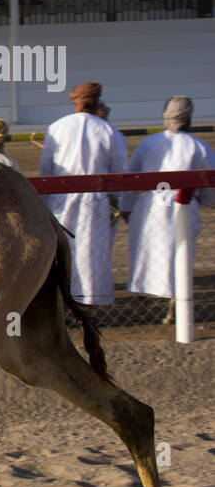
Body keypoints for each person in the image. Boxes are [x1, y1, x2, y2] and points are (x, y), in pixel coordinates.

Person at [119, 96, 215, 322]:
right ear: (188, 118)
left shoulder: (148, 143)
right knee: (179, 257)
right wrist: (207, 201)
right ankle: (173, 310)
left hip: (150, 208)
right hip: (182, 209)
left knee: (144, 254)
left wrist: (126, 207)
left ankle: (140, 303)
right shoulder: (199, 146)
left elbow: (132, 178)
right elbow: (209, 186)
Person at [40, 81, 127, 305]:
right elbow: (119, 172)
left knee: (60, 249)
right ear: (97, 102)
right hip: (94, 202)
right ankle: (90, 299)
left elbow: (46, 170)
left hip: (59, 199)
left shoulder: (57, 127)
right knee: (90, 251)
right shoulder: (108, 130)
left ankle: (59, 296)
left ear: (75, 102)